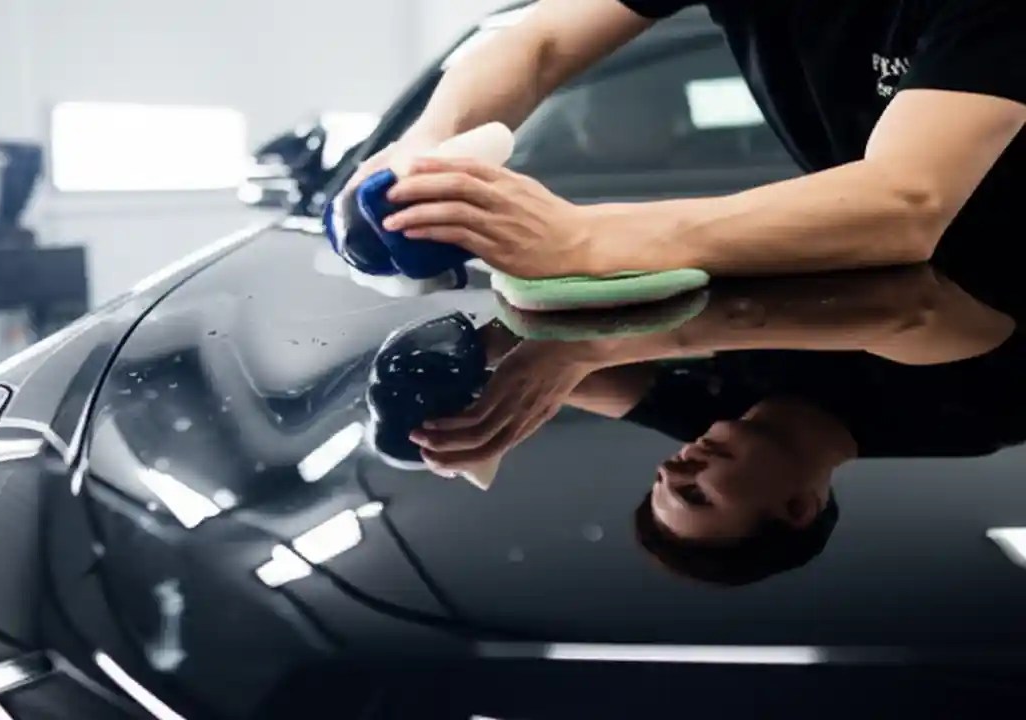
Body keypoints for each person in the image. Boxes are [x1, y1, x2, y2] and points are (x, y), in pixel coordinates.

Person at [411, 264, 1026, 584]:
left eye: (663, 479)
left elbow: (521, 359)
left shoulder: (711, 423)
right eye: (696, 494)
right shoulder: (970, 418)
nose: (675, 466)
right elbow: (919, 302)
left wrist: (463, 407)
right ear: (797, 509)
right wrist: (580, 350)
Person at [347, 0, 1026, 279]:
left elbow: (905, 202)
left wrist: (581, 238)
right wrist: (428, 143)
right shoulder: (721, 411)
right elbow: (540, 41)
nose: (682, 467)